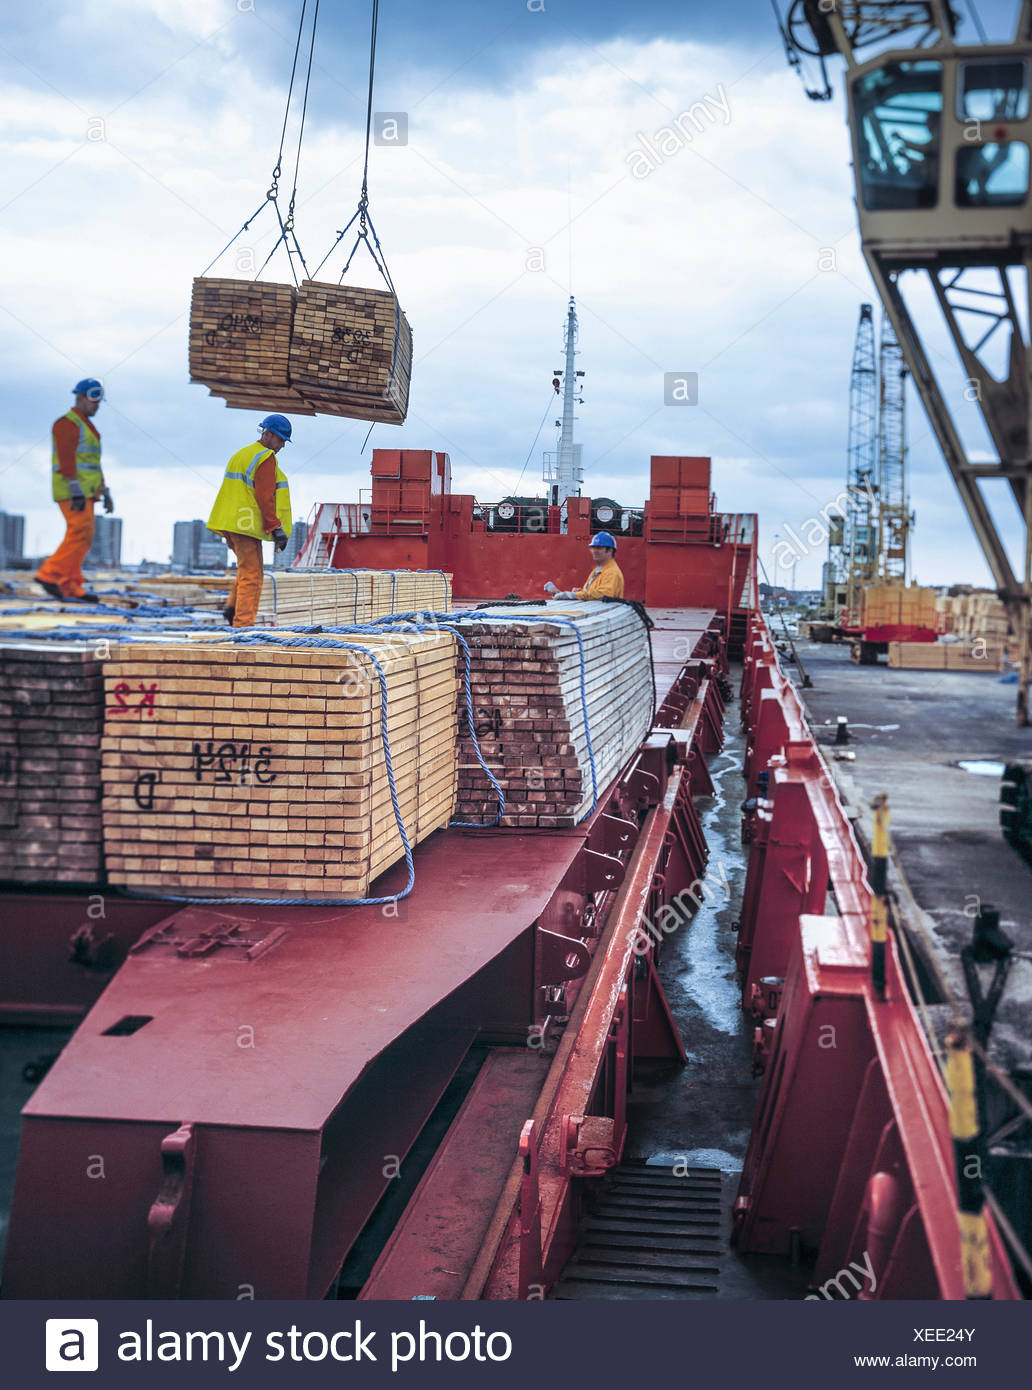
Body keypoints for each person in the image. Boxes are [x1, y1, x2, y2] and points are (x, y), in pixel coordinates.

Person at [207, 414, 293, 628]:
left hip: (229, 523)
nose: (282, 445)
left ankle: (231, 609)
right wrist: (276, 528)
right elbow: (265, 497)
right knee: (253, 575)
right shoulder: (265, 457)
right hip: (245, 526)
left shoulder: (242, 454)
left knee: (246, 570)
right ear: (268, 434)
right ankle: (243, 625)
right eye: (280, 439)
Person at [36, 378, 114, 601]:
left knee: (84, 537)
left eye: (99, 402)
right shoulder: (66, 424)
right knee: (78, 533)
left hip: (87, 491)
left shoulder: (87, 428)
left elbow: (94, 465)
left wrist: (105, 491)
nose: (96, 406)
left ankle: (70, 585)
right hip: (73, 490)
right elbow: (66, 459)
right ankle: (50, 574)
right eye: (93, 401)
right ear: (79, 398)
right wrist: (74, 488)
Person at [544, 531, 625, 601]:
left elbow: (604, 595)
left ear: (610, 550)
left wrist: (575, 595)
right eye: (593, 548)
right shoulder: (598, 570)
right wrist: (580, 592)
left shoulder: (612, 573)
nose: (594, 551)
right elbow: (593, 594)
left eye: (599, 548)